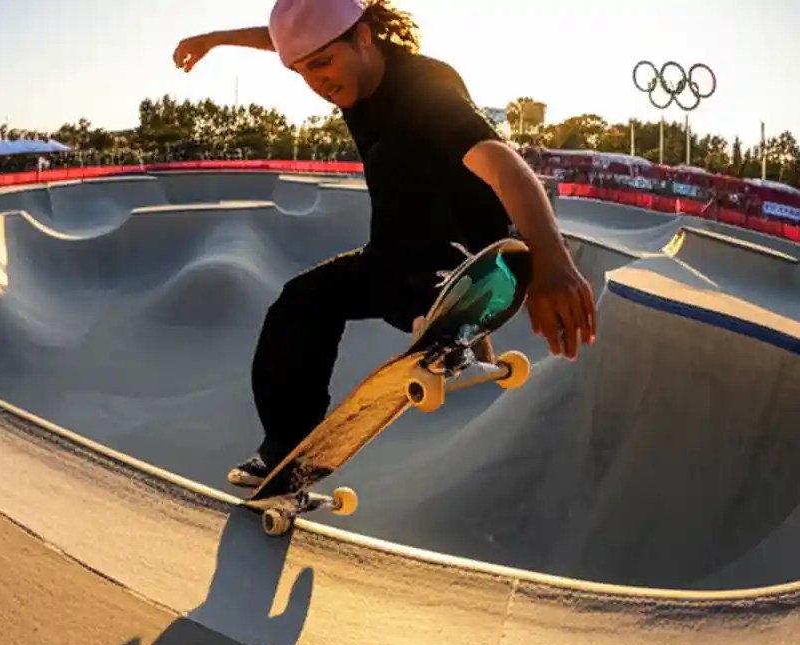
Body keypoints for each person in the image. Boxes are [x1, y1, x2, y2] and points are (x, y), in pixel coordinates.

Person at [172, 0, 596, 488]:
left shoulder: (423, 88)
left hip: (471, 239)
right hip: (397, 256)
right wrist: (216, 40)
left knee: (394, 159)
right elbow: (285, 38)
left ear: (365, 37)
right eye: (304, 72)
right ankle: (285, 450)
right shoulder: (337, 55)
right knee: (299, 305)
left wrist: (554, 260)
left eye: (324, 64)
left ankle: (445, 296)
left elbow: (503, 164)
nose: (319, 83)